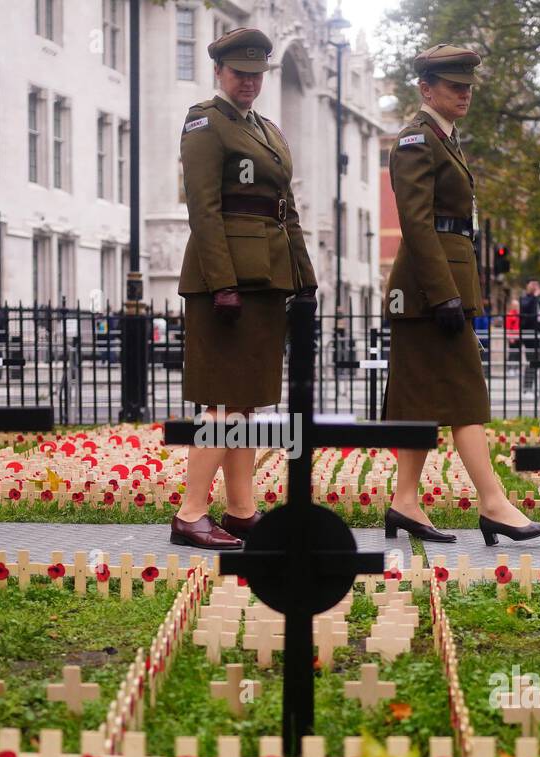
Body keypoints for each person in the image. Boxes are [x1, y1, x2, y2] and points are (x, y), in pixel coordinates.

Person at [382, 43, 540, 547]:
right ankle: (494, 503)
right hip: (429, 291)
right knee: (466, 398)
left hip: (441, 287)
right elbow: (416, 222)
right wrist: (443, 294)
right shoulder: (416, 139)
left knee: (419, 402)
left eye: (468, 86)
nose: (464, 94)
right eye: (454, 86)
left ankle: (404, 502)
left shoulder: (444, 138)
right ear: (426, 88)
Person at [171, 27, 317, 549]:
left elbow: (285, 209)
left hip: (267, 281)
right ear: (219, 72)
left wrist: (304, 277)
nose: (250, 82)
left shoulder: (268, 130)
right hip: (226, 285)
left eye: (257, 75)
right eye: (240, 74)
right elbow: (203, 210)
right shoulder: (205, 122)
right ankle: (190, 514)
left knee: (246, 404)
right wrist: (223, 284)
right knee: (224, 403)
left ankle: (240, 509)